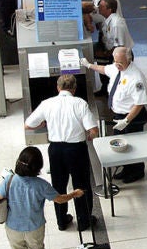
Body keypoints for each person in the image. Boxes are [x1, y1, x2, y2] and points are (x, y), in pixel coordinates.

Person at [24, 74, 99, 231]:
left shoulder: (47, 103)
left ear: (58, 88)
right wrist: (89, 136)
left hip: (56, 150)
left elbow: (28, 125)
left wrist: (43, 124)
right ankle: (84, 220)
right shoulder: (80, 103)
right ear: (74, 88)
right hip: (77, 150)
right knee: (82, 185)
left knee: (58, 185)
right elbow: (93, 131)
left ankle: (62, 221)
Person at [0, 147, 84, 249]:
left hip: (13, 228)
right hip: (34, 227)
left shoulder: (9, 180)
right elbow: (60, 200)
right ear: (38, 167)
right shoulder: (42, 185)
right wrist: (74, 194)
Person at [82, 47, 147, 183]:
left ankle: (137, 171)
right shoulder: (117, 68)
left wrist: (127, 120)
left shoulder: (136, 78)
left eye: (120, 62)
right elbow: (104, 69)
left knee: (134, 145)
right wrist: (88, 65)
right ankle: (127, 168)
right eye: (115, 61)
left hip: (132, 117)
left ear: (129, 60)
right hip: (119, 116)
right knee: (122, 145)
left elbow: (140, 103)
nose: (117, 64)